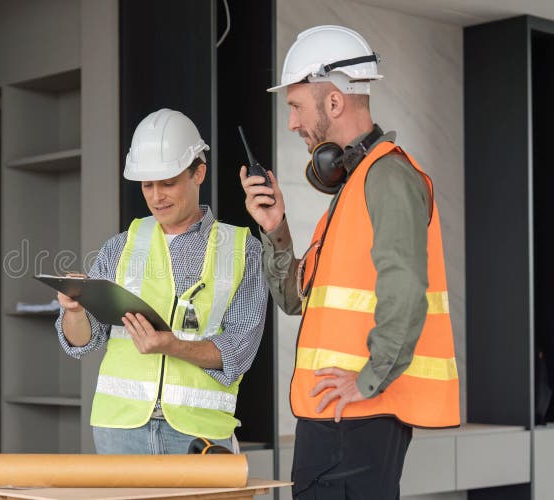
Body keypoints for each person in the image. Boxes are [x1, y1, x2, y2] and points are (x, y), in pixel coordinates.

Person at [240, 25, 460, 498]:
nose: (292, 123)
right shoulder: (354, 188)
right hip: (336, 418)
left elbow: (406, 288)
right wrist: (276, 227)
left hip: (356, 418)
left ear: (334, 103)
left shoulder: (387, 178)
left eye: (296, 107)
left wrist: (370, 377)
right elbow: (295, 298)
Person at [57, 108, 268, 454]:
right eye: (147, 185)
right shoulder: (121, 246)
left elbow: (238, 352)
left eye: (168, 183)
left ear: (198, 173)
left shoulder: (242, 250)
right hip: (120, 430)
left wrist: (173, 346)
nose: (157, 196)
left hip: (197, 433)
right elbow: (82, 341)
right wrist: (75, 310)